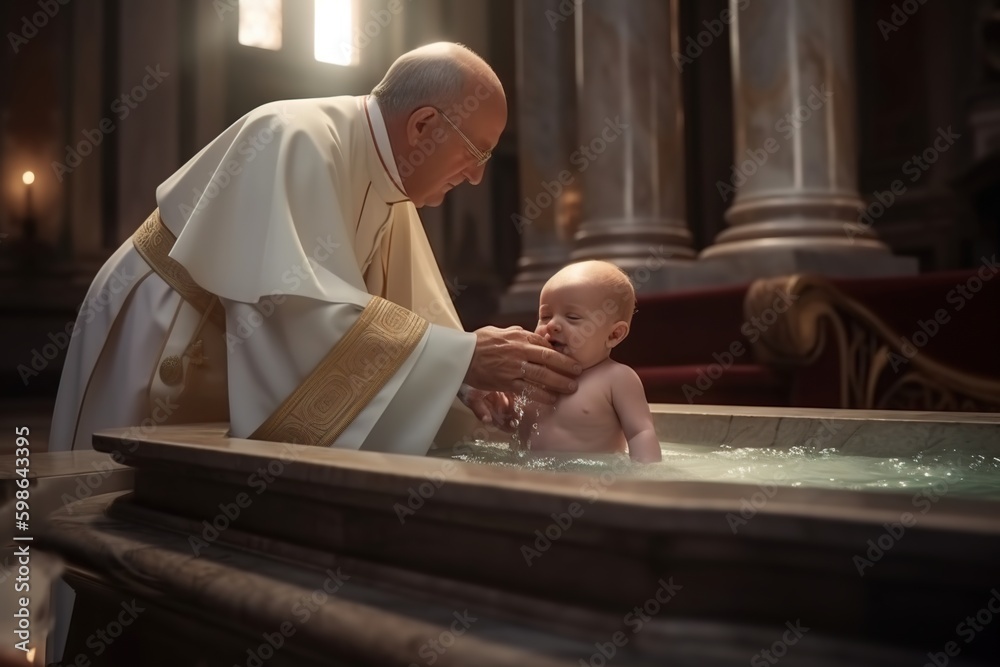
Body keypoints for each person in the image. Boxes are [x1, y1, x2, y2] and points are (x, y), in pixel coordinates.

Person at [48, 42, 580, 455]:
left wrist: (462, 385)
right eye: (475, 151)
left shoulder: (392, 188)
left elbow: (405, 318)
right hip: (171, 335)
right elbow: (295, 316)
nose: (479, 177)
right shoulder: (292, 137)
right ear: (422, 125)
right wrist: (461, 360)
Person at [484, 261, 661, 462]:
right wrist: (503, 415)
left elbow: (641, 432)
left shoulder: (617, 378)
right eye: (545, 316)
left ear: (613, 334)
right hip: (528, 478)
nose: (552, 325)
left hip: (588, 482)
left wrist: (646, 476)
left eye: (573, 317)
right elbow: (518, 427)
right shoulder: (533, 375)